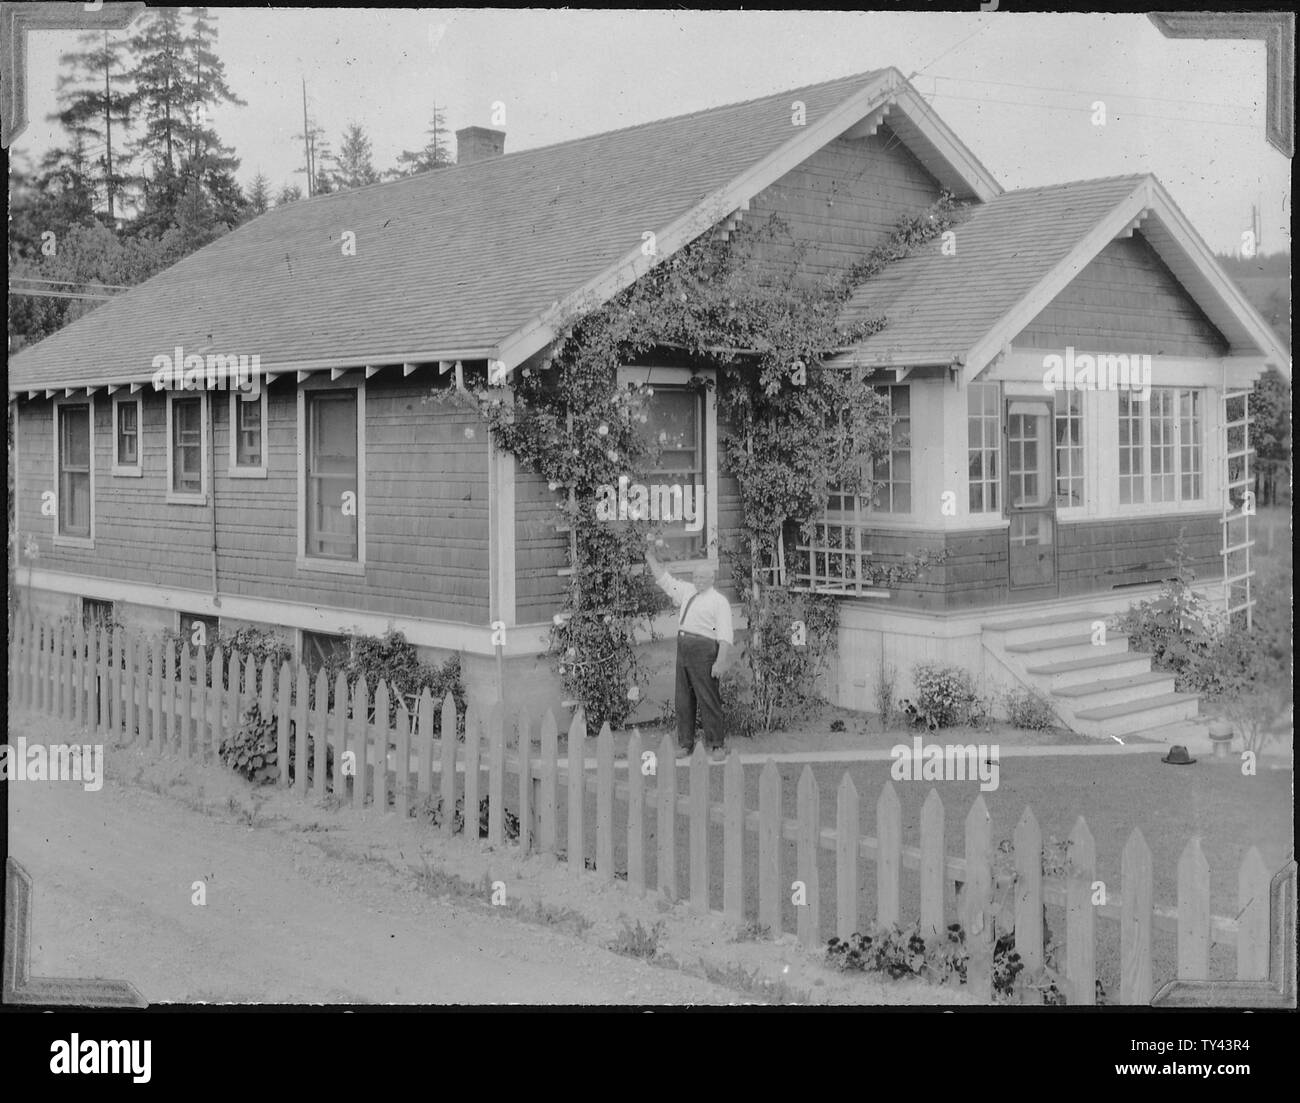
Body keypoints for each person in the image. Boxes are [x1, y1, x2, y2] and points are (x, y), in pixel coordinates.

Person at [644, 541, 733, 759]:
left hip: (705, 650)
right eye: (696, 577)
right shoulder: (687, 591)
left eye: (703, 578)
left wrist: (720, 662)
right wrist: (650, 558)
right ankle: (685, 743)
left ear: (712, 579)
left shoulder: (719, 601)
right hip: (683, 648)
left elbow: (725, 635)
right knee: (683, 698)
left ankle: (716, 744)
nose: (699, 581)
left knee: (708, 697)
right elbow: (665, 580)